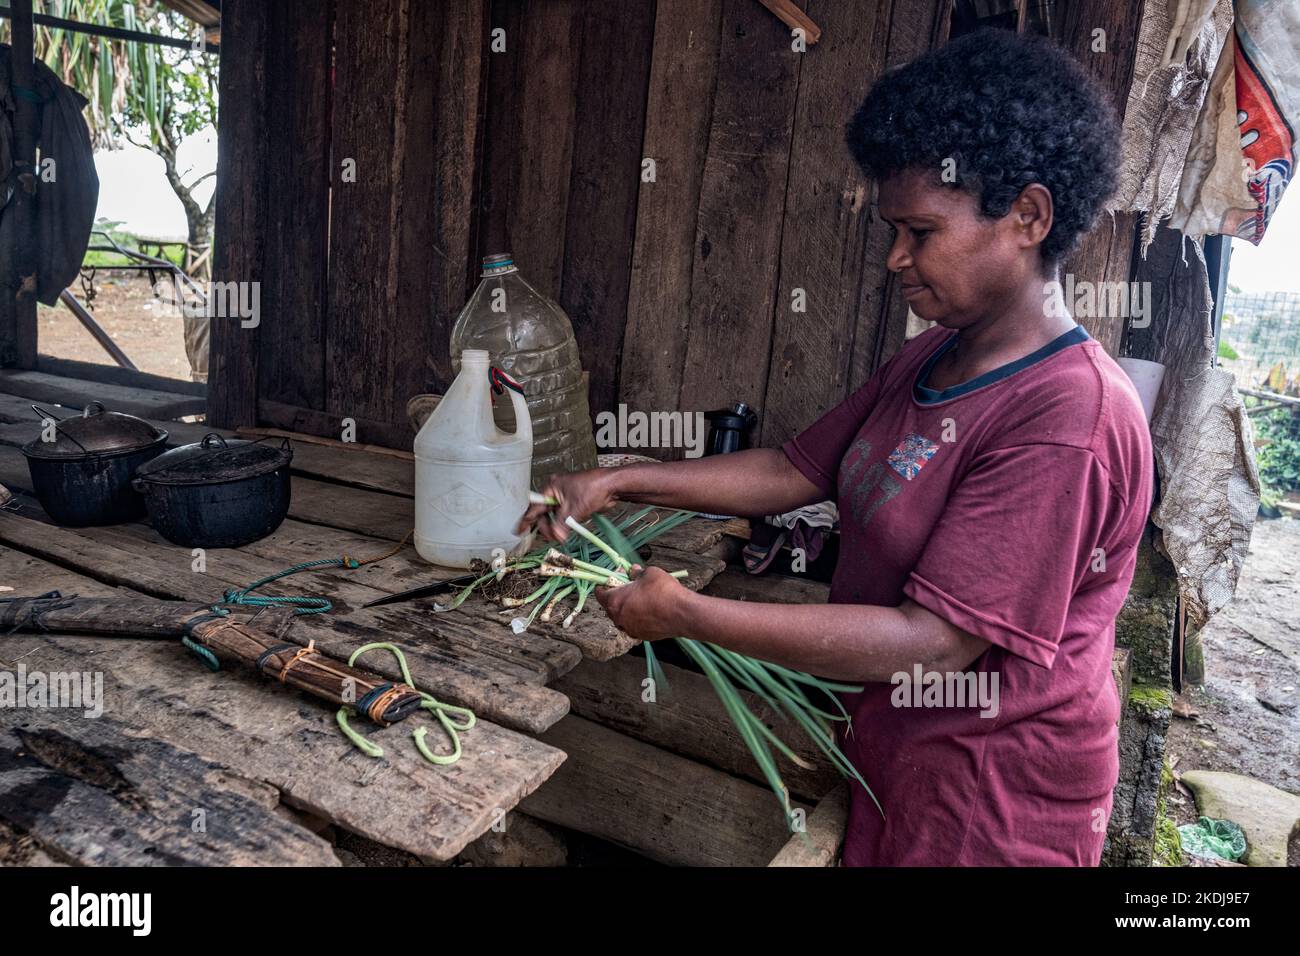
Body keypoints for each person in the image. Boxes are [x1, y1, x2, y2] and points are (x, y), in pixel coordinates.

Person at [517, 28, 1153, 866]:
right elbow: (791, 469)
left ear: (1028, 216)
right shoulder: (934, 354)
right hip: (897, 746)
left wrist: (687, 616)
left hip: (989, 796)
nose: (895, 258)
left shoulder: (1067, 417)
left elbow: (933, 642)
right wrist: (619, 479)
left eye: (919, 231)